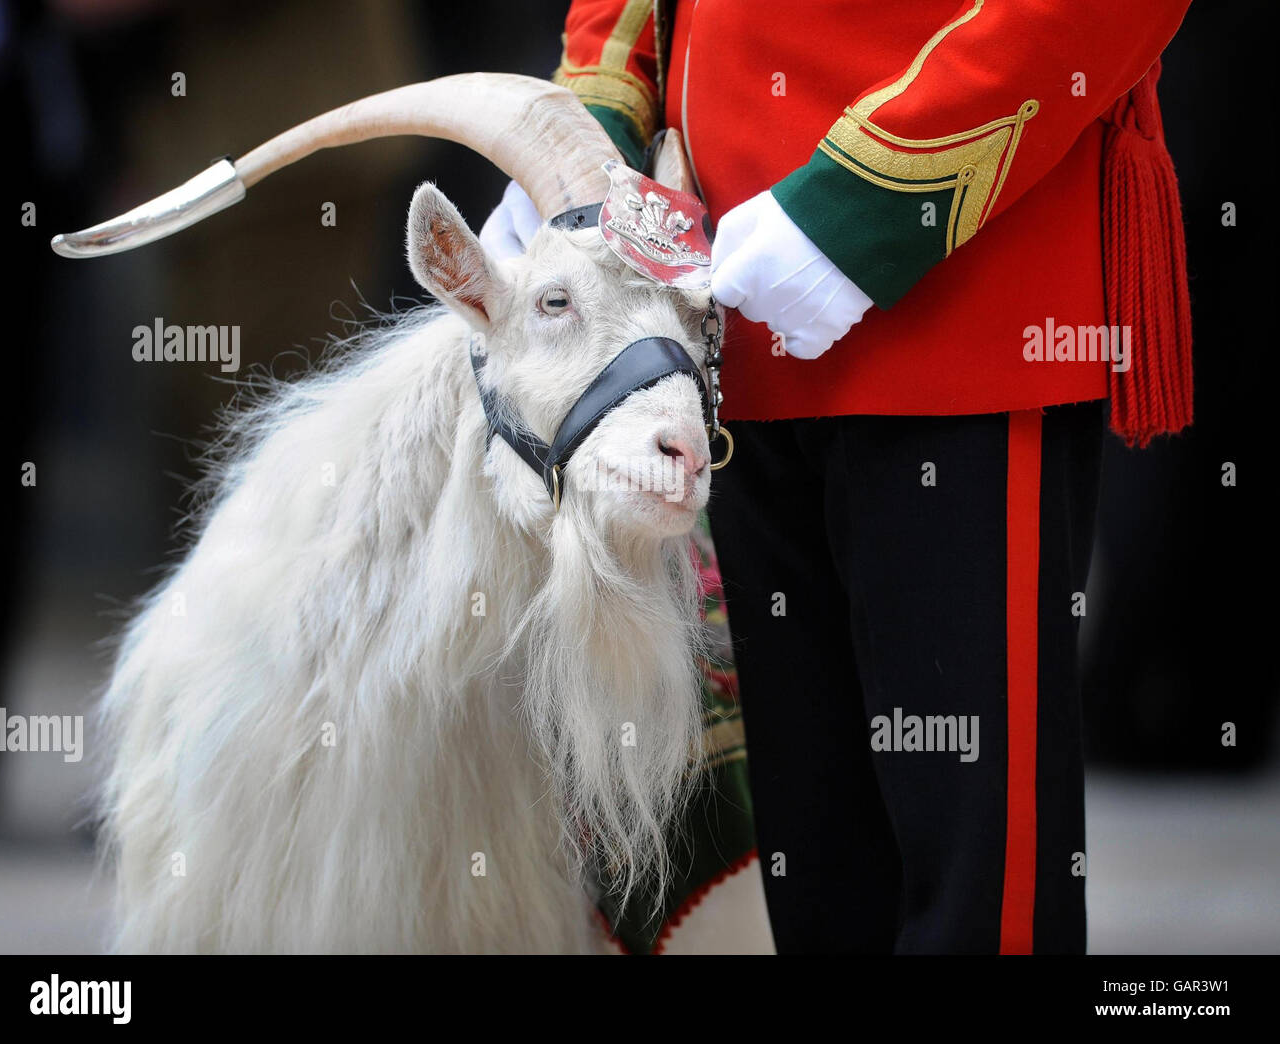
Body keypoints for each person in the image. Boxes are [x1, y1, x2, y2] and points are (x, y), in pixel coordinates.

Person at [483, 0, 1193, 954]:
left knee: (975, 903)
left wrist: (863, 209)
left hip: (965, 307)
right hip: (719, 312)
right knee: (818, 886)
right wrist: (581, 150)